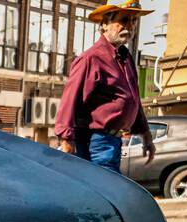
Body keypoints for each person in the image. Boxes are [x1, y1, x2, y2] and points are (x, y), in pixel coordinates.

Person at [54, 0, 154, 173]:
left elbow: (133, 100)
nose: (130, 26)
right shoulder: (91, 59)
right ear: (105, 24)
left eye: (133, 21)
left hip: (113, 140)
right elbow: (70, 100)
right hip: (96, 141)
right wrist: (66, 139)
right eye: (124, 20)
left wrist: (146, 135)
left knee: (107, 190)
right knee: (106, 190)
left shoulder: (126, 58)